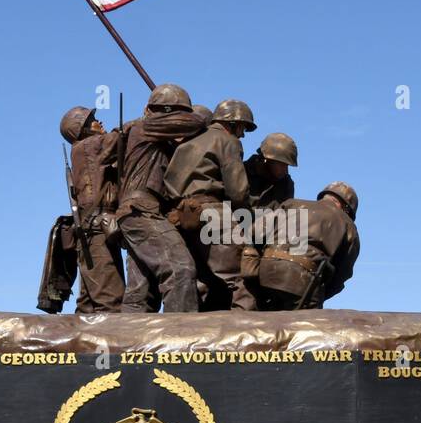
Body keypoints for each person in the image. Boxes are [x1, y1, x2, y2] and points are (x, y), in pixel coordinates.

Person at [116, 83, 207, 313]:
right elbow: (193, 122)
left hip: (140, 214)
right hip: (142, 211)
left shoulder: (155, 137)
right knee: (180, 269)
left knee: (140, 292)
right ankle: (182, 339)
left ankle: (130, 343)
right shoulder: (144, 127)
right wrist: (196, 116)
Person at [164, 98, 255, 311]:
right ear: (233, 123)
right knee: (241, 278)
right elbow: (238, 192)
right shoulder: (227, 141)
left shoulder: (186, 142)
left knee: (200, 282)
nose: (242, 134)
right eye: (242, 128)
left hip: (179, 217)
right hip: (212, 213)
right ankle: (248, 338)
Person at [60, 105, 125, 313]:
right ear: (83, 129)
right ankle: (108, 345)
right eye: (94, 120)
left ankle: (84, 346)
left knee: (88, 306)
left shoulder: (86, 149)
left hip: (91, 231)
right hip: (97, 232)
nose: (100, 123)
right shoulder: (88, 146)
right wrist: (151, 116)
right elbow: (120, 138)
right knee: (110, 301)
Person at [257, 182, 360, 310]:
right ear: (346, 208)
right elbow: (341, 275)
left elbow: (255, 232)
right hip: (303, 282)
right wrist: (319, 291)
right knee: (307, 327)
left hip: (265, 272)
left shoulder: (291, 203)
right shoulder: (348, 226)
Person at [244, 132, 297, 211]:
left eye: (287, 165)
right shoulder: (241, 172)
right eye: (282, 165)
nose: (286, 171)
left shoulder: (286, 184)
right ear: (268, 159)